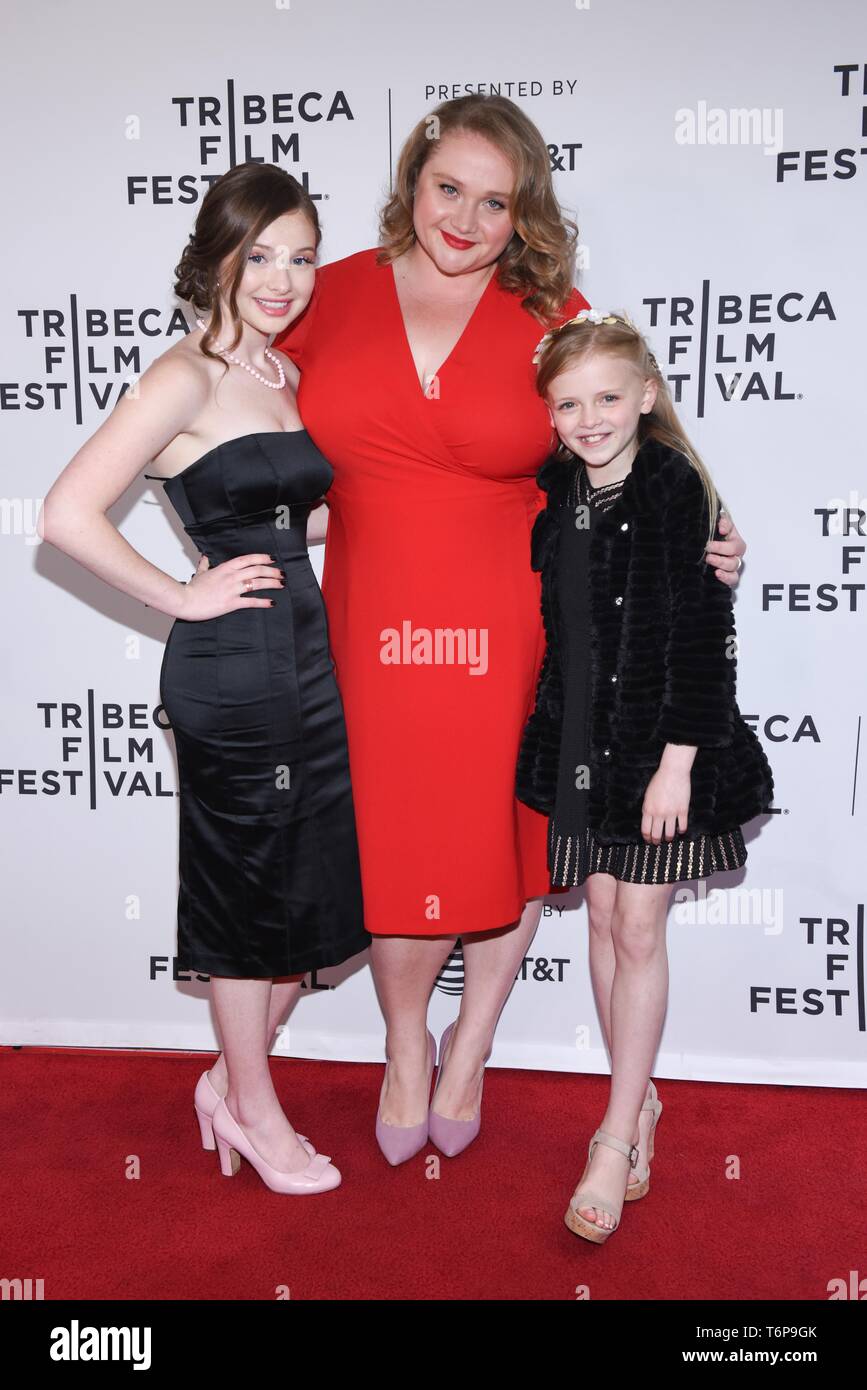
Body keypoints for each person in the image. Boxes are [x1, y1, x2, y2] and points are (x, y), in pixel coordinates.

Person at [272, 94, 749, 1165]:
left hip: (523, 625)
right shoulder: (326, 292)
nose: (466, 219)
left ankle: (473, 1044)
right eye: (450, 188)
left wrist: (711, 520)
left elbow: (637, 412)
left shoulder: (547, 309)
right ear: (412, 180)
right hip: (372, 619)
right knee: (394, 840)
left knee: (509, 834)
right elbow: (233, 388)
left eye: (497, 201)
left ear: (521, 213)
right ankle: (405, 1047)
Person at [40, 163, 369, 1196]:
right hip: (233, 673)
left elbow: (296, 518)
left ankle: (229, 1083)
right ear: (216, 256)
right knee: (245, 892)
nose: (282, 279)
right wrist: (179, 598)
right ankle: (257, 1113)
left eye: (302, 257)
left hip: (308, 658)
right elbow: (64, 514)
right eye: (260, 254)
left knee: (304, 888)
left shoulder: (283, 375)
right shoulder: (182, 376)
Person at [515, 308, 774, 1242]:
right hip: (578, 746)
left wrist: (676, 764)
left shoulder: (675, 488)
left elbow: (705, 643)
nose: (588, 419)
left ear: (647, 397)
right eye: (568, 403)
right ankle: (639, 1103)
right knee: (600, 914)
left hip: (663, 751)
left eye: (607, 398)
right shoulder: (549, 486)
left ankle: (615, 1132)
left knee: (636, 924)